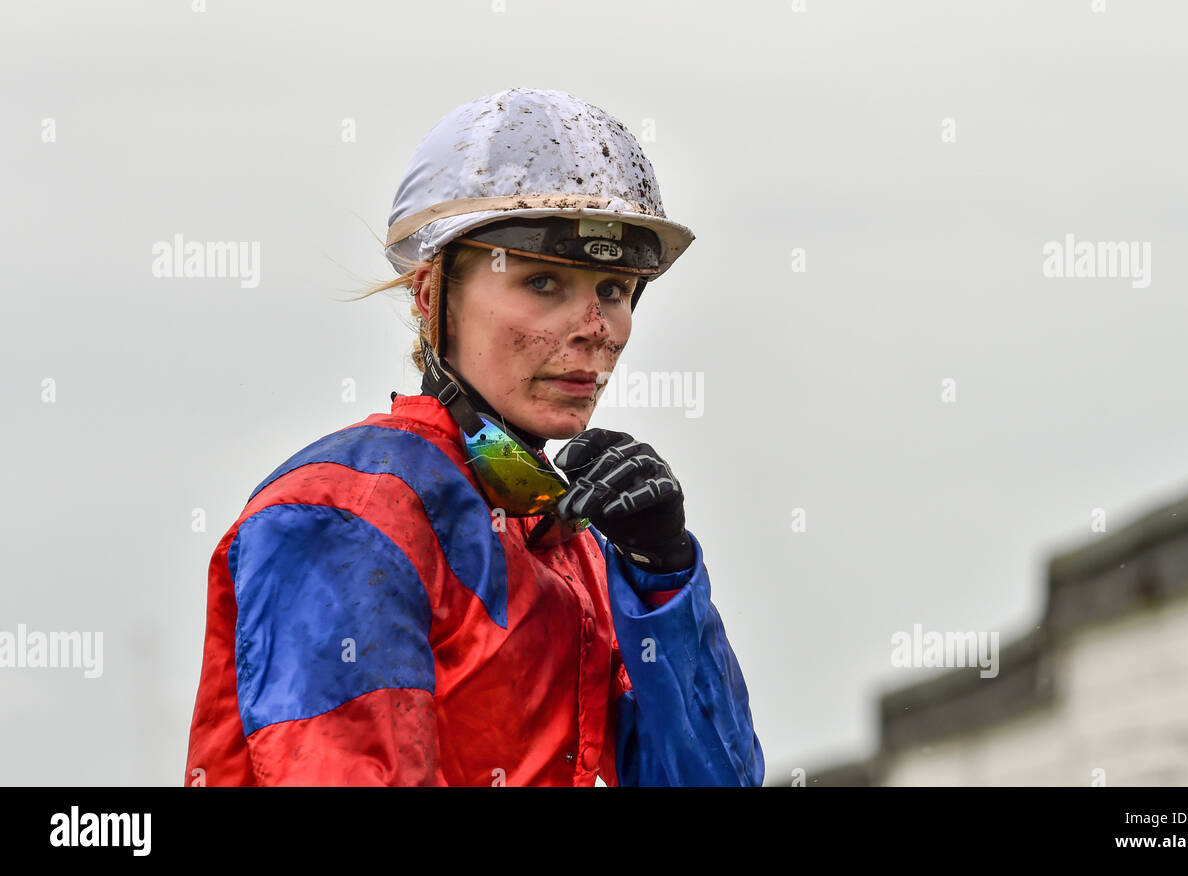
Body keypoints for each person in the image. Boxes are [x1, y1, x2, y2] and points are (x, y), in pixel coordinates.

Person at [184, 87, 763, 786]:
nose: (595, 328)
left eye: (614, 288)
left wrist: (662, 578)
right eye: (544, 280)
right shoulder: (345, 513)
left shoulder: (571, 541)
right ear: (431, 297)